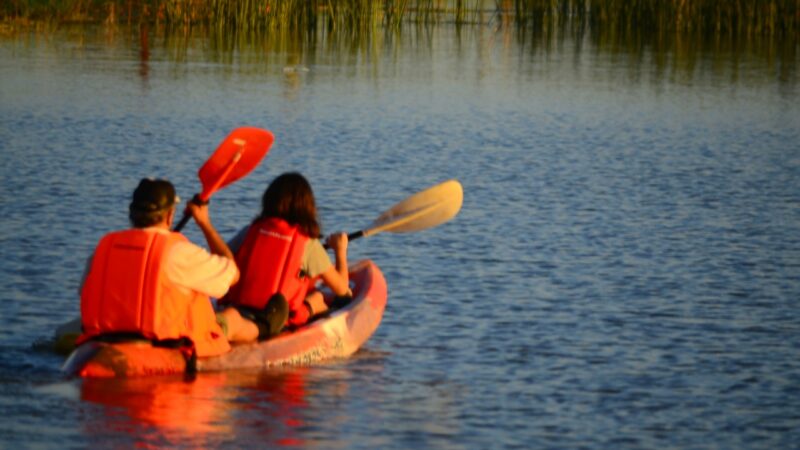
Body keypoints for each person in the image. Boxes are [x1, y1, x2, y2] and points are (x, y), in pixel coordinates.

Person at [78, 178, 239, 358]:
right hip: (163, 348)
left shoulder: (104, 247)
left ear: (131, 212)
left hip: (101, 341)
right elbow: (232, 275)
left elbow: (83, 291)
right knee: (232, 317)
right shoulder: (178, 253)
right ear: (170, 215)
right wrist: (205, 224)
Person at [217, 172, 351, 343]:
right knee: (320, 299)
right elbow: (341, 288)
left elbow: (221, 257)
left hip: (237, 308)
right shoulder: (307, 243)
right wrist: (340, 250)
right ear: (307, 207)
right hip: (277, 319)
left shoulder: (251, 231)